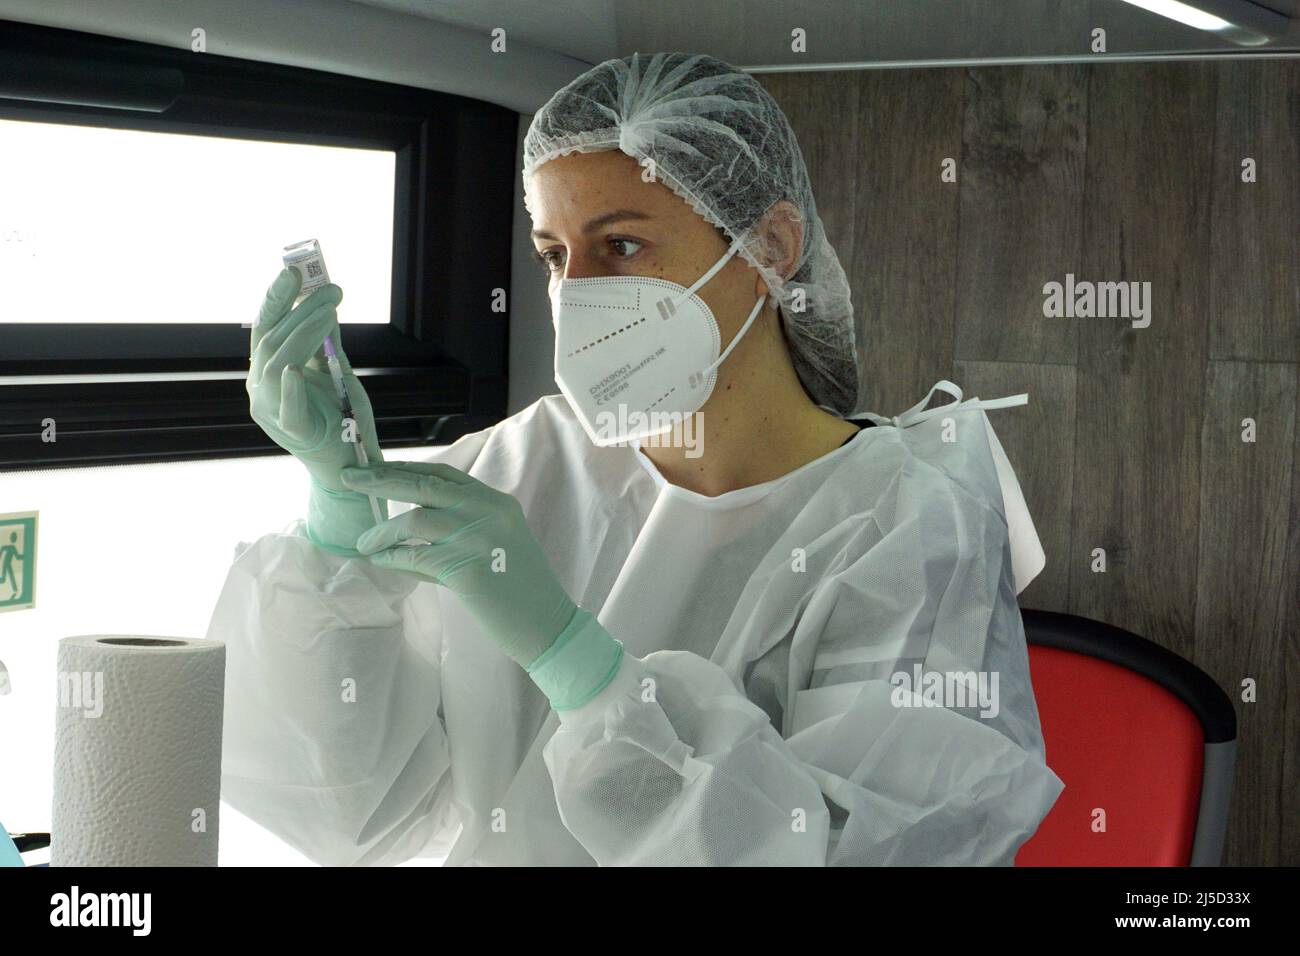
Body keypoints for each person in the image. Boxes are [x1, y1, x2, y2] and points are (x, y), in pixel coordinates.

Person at [210, 52, 1062, 866]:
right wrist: (339, 517)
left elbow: (863, 854)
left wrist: (578, 666)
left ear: (770, 244)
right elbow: (354, 815)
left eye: (620, 246)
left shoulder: (904, 531)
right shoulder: (515, 466)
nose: (575, 293)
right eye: (553, 254)